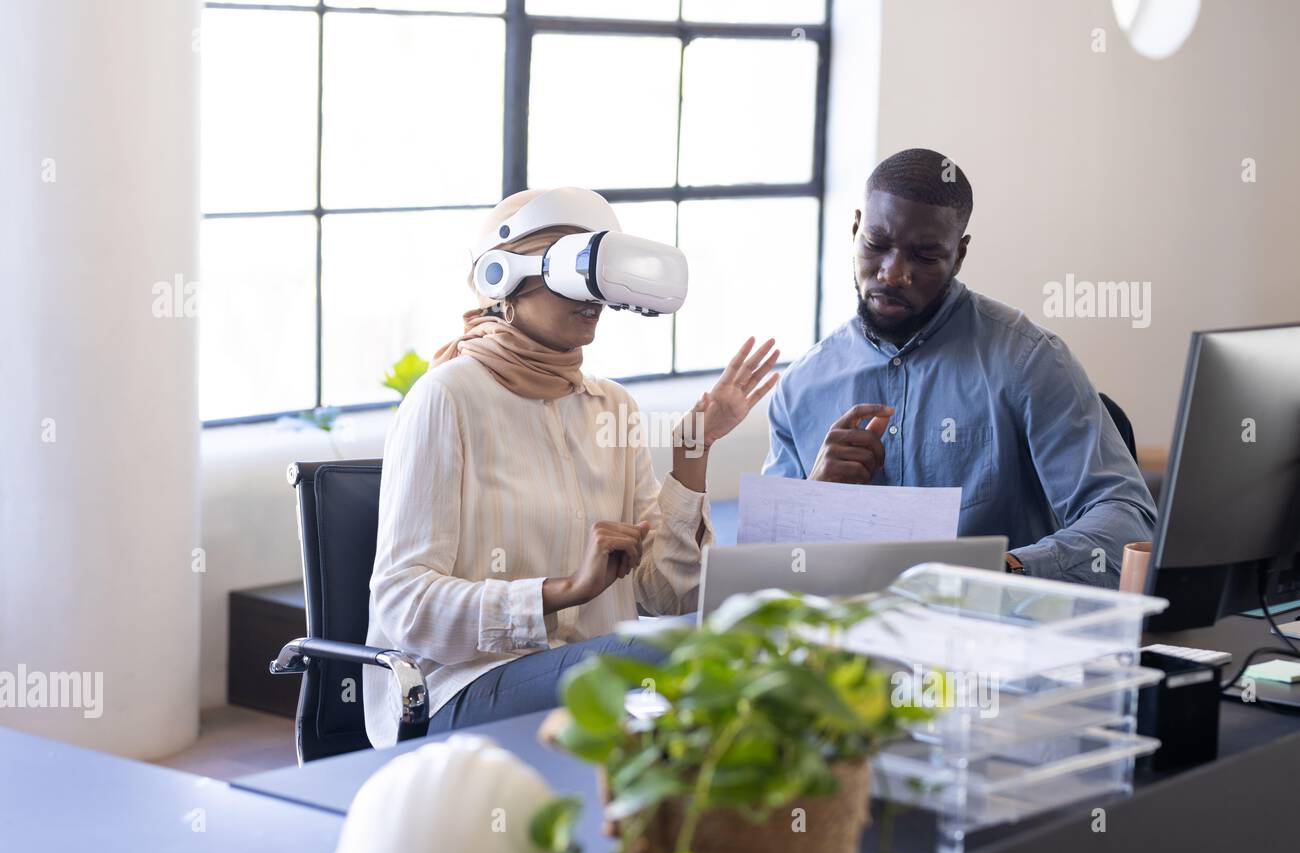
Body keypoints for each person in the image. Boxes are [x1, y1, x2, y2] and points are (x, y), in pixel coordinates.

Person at [363, 187, 779, 747]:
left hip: (596, 672)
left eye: (599, 275)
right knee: (663, 658)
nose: (594, 298)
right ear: (501, 279)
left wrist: (692, 458)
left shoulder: (612, 406)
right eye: (571, 271)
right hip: (460, 689)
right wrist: (558, 592)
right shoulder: (447, 397)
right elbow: (401, 605)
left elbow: (665, 596)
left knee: (721, 650)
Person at [763, 148, 1156, 586]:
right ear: (855, 230)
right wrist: (816, 498)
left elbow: (1128, 522)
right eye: (876, 244)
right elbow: (766, 581)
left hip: (998, 635)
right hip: (847, 644)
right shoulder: (800, 388)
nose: (893, 274)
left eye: (925, 256)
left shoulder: (1029, 361)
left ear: (959, 255)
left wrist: (1003, 572)